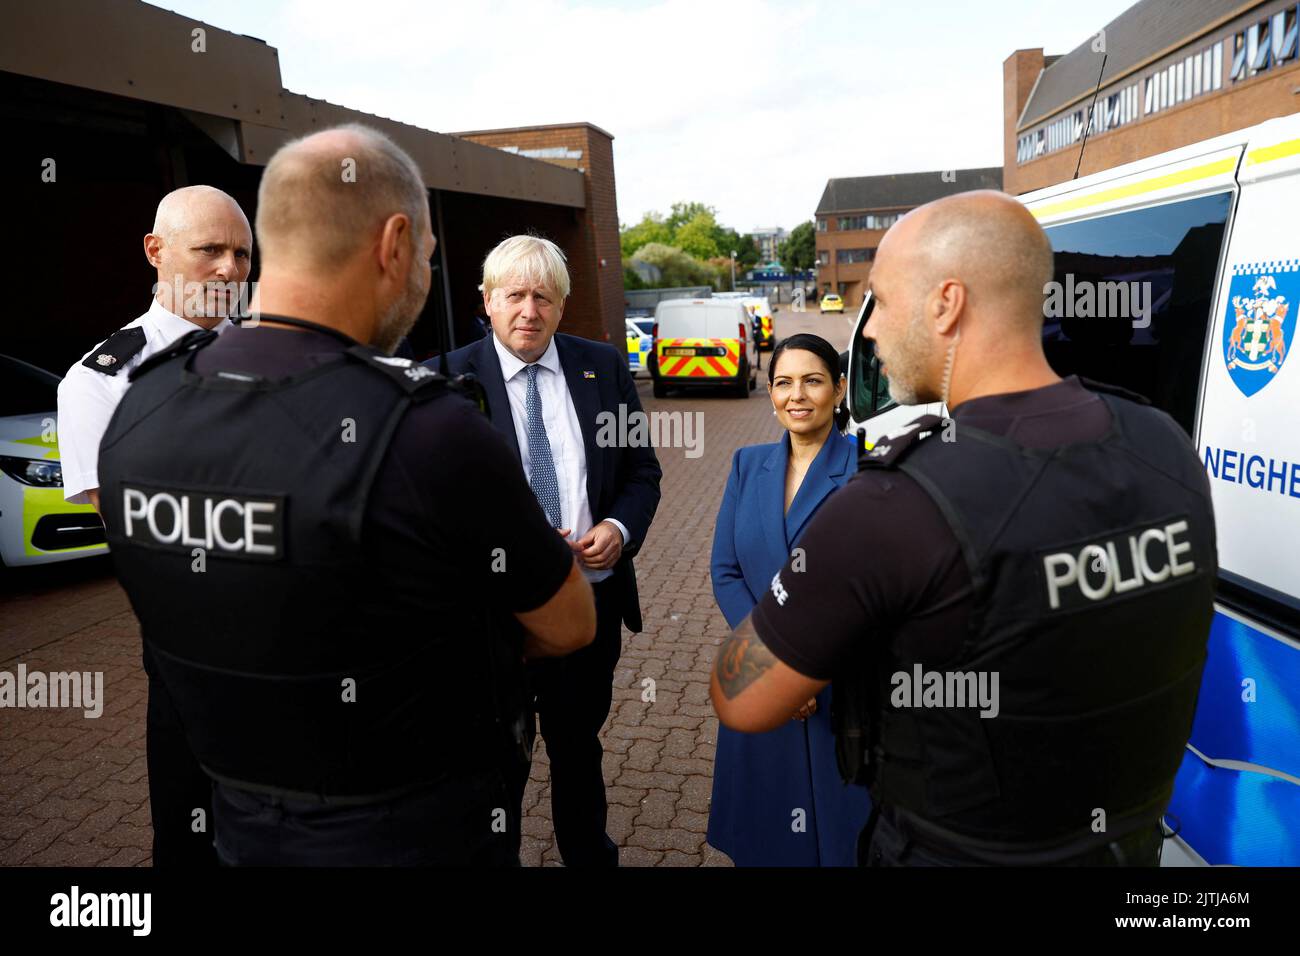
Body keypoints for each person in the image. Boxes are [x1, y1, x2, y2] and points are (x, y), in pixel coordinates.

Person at [97, 123, 596, 866]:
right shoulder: (429, 431)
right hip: (412, 833)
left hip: (238, 829)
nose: (424, 272)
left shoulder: (139, 405)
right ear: (394, 243)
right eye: (427, 254)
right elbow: (568, 624)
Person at [710, 190, 1217, 866]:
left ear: (946, 304)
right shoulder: (1165, 444)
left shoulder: (895, 503)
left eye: (882, 302)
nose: (867, 332)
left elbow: (741, 698)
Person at [436, 235, 662, 867]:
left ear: (563, 306)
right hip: (493, 619)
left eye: (543, 296)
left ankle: (590, 857)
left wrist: (617, 527)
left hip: (588, 607)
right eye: (514, 295)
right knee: (494, 760)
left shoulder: (604, 369)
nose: (528, 311)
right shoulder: (446, 380)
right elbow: (430, 505)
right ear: (487, 301)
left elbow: (642, 471)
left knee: (577, 747)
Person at [54, 184, 253, 868]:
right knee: (195, 834)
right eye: (210, 251)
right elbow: (142, 534)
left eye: (242, 253)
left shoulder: (276, 354)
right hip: (196, 649)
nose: (230, 270)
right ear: (155, 250)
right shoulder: (100, 380)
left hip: (309, 642)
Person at [708, 333, 871, 866]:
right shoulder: (745, 464)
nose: (796, 395)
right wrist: (773, 664)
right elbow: (725, 570)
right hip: (760, 679)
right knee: (766, 840)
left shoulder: (868, 471)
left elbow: (879, 588)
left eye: (813, 381)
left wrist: (806, 671)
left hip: (838, 687)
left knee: (844, 840)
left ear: (840, 389)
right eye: (782, 382)